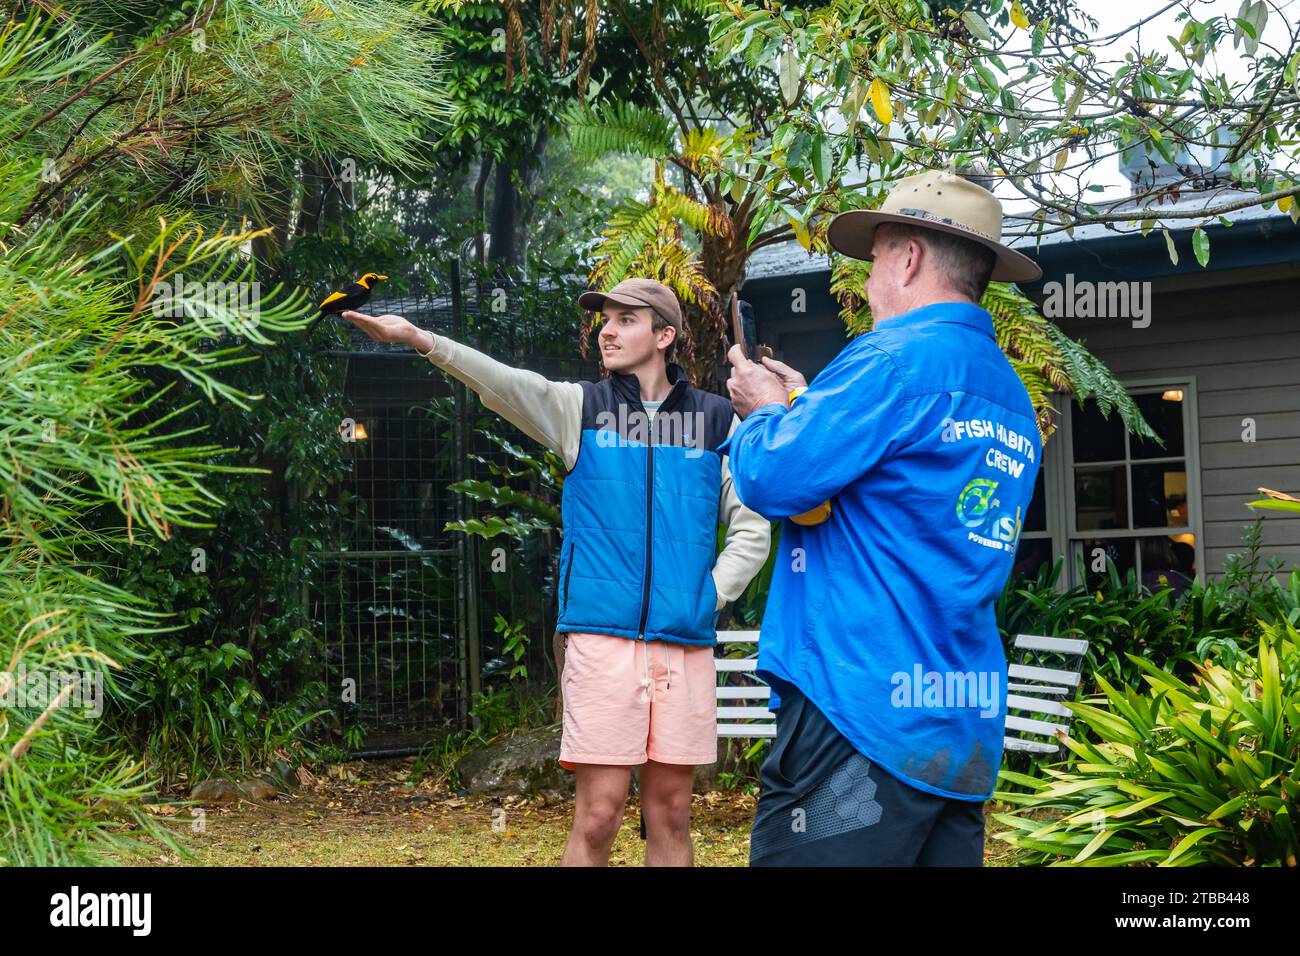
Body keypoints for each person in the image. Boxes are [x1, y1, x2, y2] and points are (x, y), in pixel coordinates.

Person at [341, 277, 770, 866]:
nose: (607, 331)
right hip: (600, 640)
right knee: (599, 816)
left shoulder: (717, 421)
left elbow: (752, 525)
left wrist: (710, 595)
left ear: (665, 336)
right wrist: (419, 338)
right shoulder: (582, 409)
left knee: (670, 814)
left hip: (684, 644)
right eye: (605, 320)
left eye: (625, 320)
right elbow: (501, 382)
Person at [723, 169, 1044, 866]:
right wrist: (809, 408)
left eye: (873, 261)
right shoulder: (1011, 395)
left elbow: (771, 477)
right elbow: (895, 498)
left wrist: (762, 412)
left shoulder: (893, 358)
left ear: (908, 259)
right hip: (957, 728)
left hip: (859, 713)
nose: (868, 282)